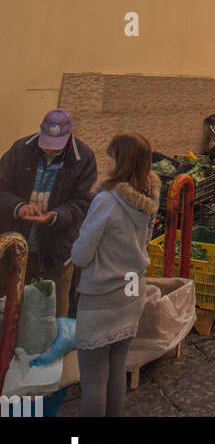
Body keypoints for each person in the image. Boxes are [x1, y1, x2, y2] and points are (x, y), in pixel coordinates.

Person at [69, 134, 159, 418]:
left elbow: (81, 254)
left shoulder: (106, 201)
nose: (105, 159)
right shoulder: (150, 197)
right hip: (133, 291)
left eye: (110, 155)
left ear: (122, 162)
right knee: (118, 366)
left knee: (94, 377)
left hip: (102, 295)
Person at [0, 109, 97, 317]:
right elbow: (1, 187)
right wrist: (19, 206)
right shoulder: (20, 150)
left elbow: (82, 203)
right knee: (7, 314)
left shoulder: (83, 158)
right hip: (14, 249)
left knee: (48, 318)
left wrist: (55, 216)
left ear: (70, 134)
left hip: (56, 252)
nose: (51, 151)